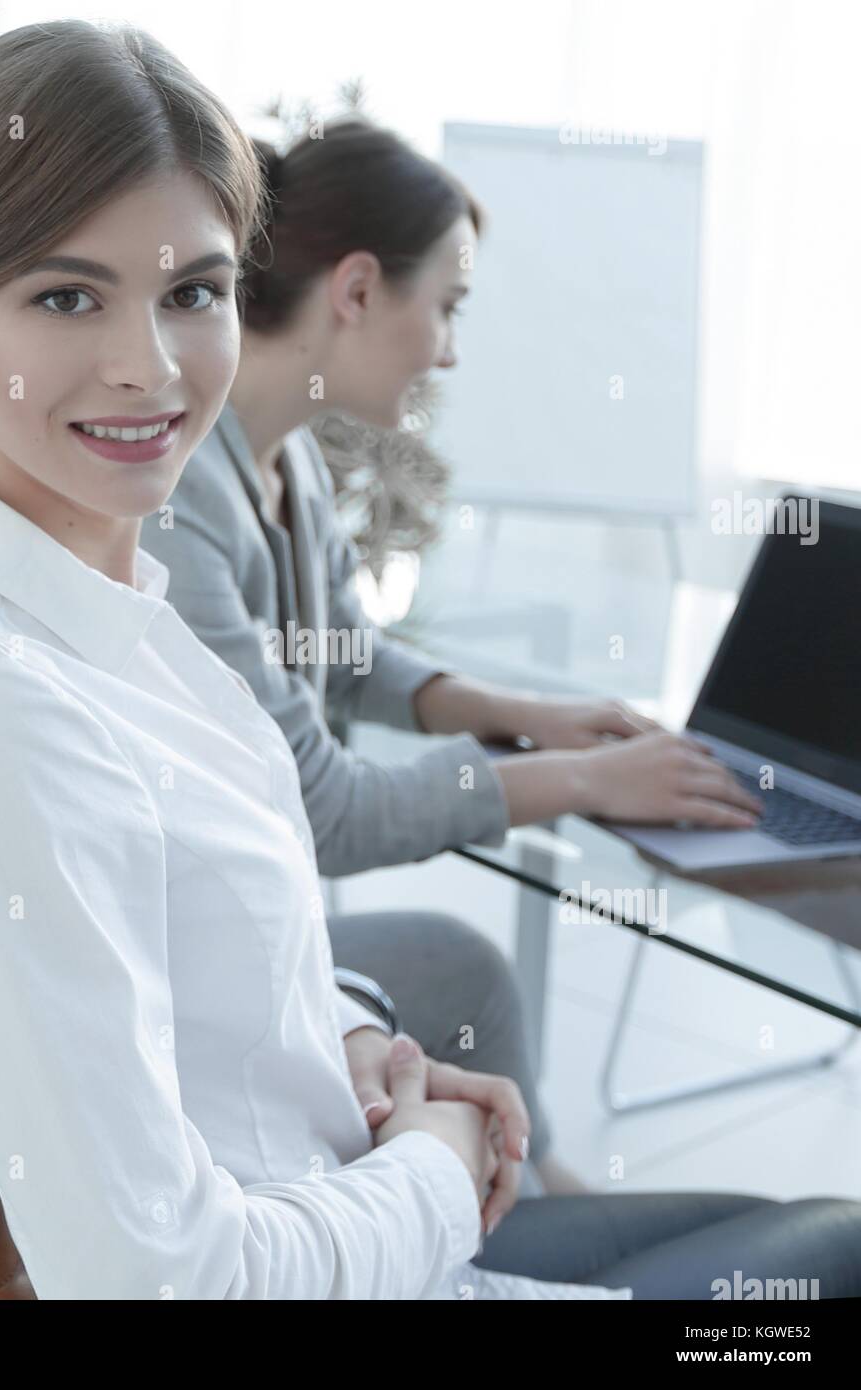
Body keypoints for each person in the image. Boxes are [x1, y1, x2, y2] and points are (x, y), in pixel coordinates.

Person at [0, 21, 861, 1299]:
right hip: (340, 1246)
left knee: (802, 1226)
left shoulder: (84, 591)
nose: (149, 368)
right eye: (66, 295)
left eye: (192, 292)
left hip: (333, 1185)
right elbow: (156, 1286)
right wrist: (432, 1156)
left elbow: (205, 939)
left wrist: (357, 1038)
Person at [138, 114, 767, 1199]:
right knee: (461, 966)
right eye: (448, 306)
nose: (451, 348)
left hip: (261, 941)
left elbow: (349, 657)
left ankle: (529, 1206)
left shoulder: (282, 465)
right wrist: (576, 778)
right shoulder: (185, 493)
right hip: (194, 979)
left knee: (463, 970)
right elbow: (324, 811)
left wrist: (520, 712)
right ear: (358, 290)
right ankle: (523, 1228)